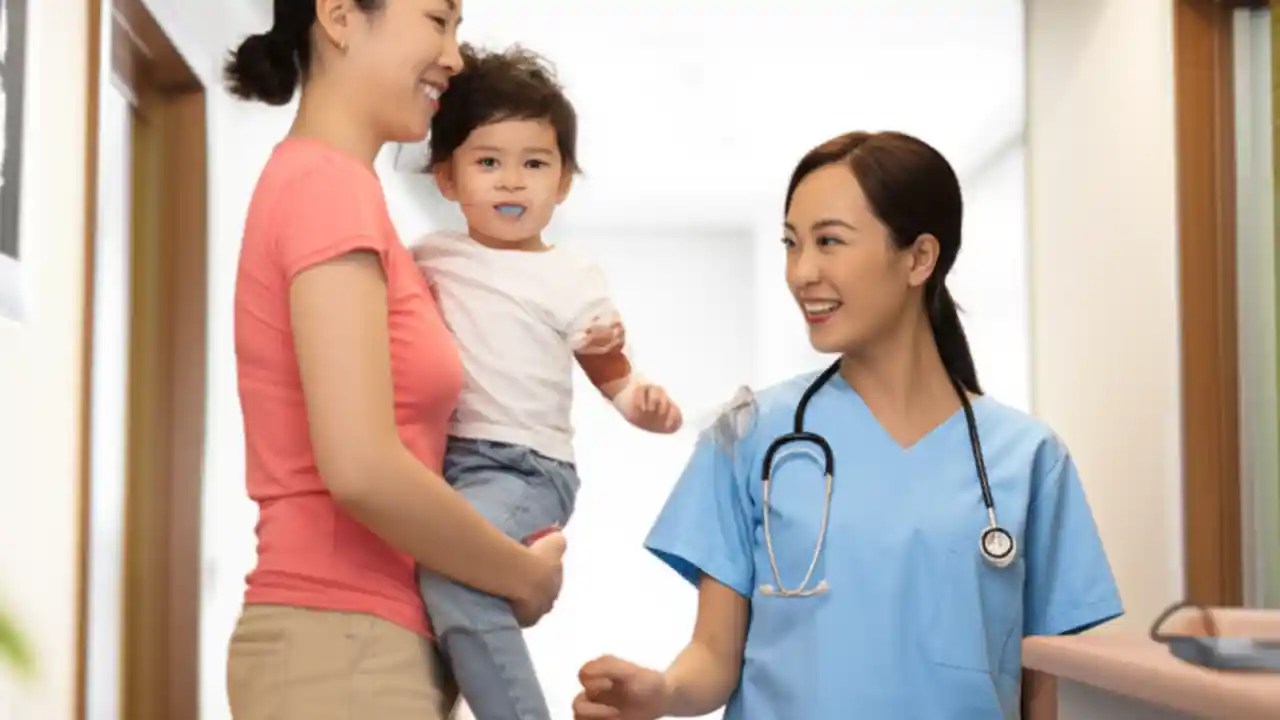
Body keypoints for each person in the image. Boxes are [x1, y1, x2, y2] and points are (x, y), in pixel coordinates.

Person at [571, 131, 1124, 719]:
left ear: (919, 258)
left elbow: (1039, 686)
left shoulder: (1028, 458)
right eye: (792, 243)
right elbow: (713, 654)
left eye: (829, 241)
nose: (801, 271)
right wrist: (663, 694)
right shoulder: (751, 435)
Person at [221, 2, 568, 718]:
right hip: (340, 639)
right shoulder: (328, 186)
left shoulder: (338, 188)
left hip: (361, 639)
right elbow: (362, 468)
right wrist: (522, 579)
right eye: (438, 20)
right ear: (342, 15)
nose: (455, 56)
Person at [409, 44, 684, 720]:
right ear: (446, 178)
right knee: (433, 599)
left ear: (562, 182)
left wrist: (640, 402)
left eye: (534, 164)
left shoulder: (572, 276)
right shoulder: (430, 258)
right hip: (445, 465)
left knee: (451, 573)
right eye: (488, 162)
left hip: (526, 467)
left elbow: (609, 367)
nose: (511, 182)